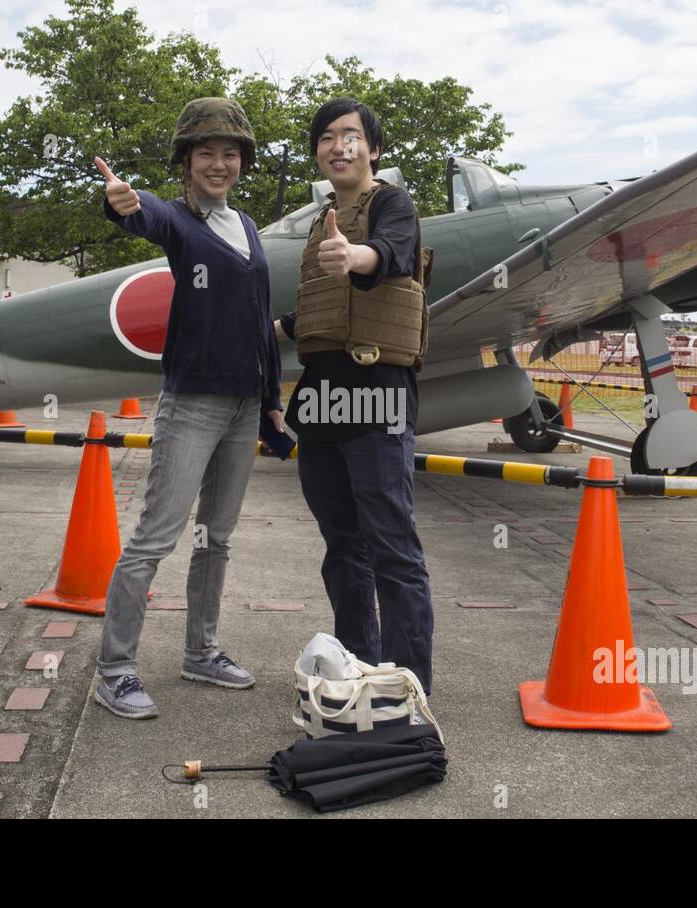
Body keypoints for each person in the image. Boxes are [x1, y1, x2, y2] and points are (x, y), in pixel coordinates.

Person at [92, 97, 284, 720]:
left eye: (230, 153)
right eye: (207, 153)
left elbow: (259, 323)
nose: (219, 163)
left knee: (216, 538)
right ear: (187, 161)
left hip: (243, 405)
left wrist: (272, 402)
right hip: (193, 406)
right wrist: (125, 201)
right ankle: (115, 669)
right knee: (154, 540)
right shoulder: (177, 219)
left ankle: (201, 651)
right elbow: (145, 216)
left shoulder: (247, 226)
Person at [275, 98, 435, 694]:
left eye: (350, 136)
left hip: (378, 398)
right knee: (342, 547)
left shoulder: (392, 204)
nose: (338, 147)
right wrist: (277, 328)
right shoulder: (322, 221)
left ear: (372, 148)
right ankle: (357, 671)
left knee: (391, 546)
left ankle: (408, 684)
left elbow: (389, 253)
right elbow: (325, 307)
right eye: (326, 138)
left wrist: (357, 255)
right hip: (320, 404)